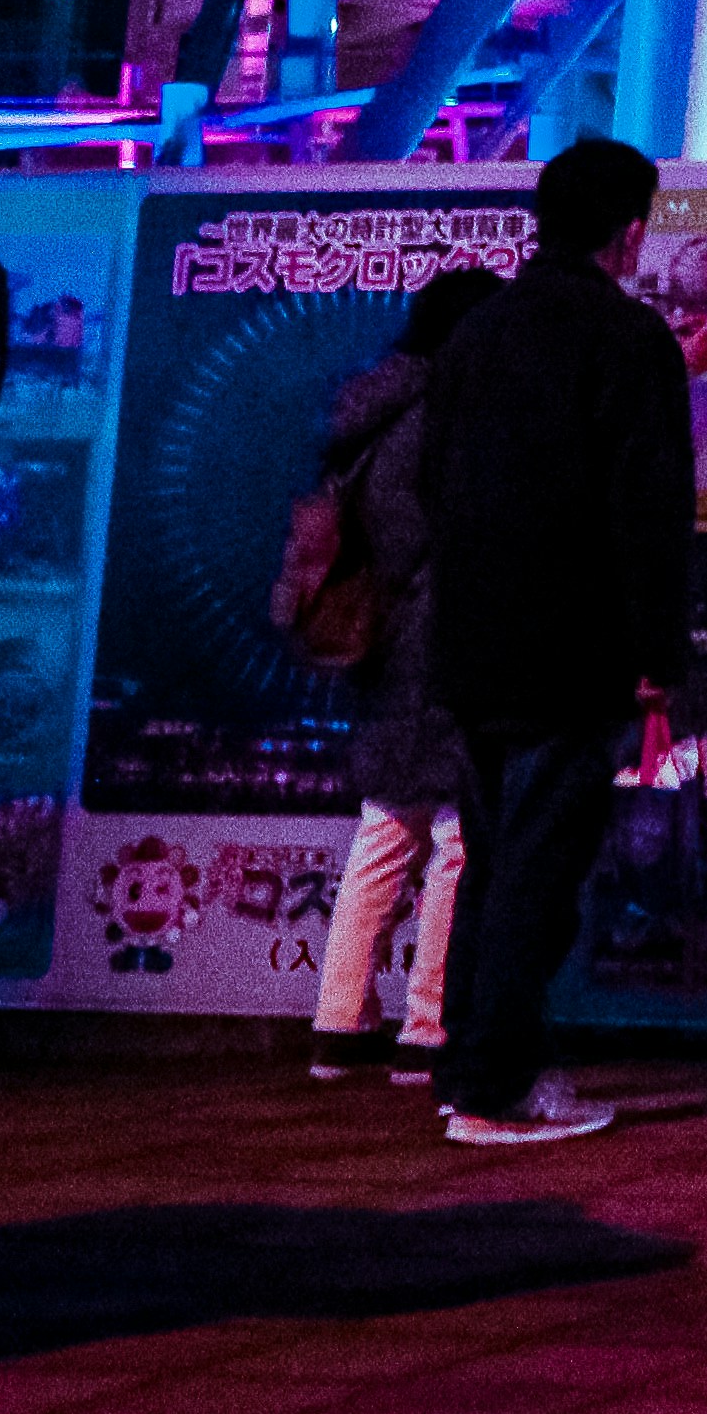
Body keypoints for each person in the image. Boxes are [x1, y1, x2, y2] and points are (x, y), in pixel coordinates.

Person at [422, 142, 692, 1149]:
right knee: (537, 867)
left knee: (492, 860)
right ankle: (495, 1085)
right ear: (630, 229)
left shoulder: (476, 331)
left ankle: (468, 1065)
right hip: (570, 648)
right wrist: (660, 649)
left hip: (472, 644)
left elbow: (432, 482)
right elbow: (648, 511)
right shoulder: (627, 340)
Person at [300, 268, 499, 1085]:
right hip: (442, 641)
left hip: (381, 644)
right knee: (456, 836)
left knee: (386, 828)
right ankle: (430, 1024)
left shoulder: (371, 412)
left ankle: (340, 1022)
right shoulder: (445, 420)